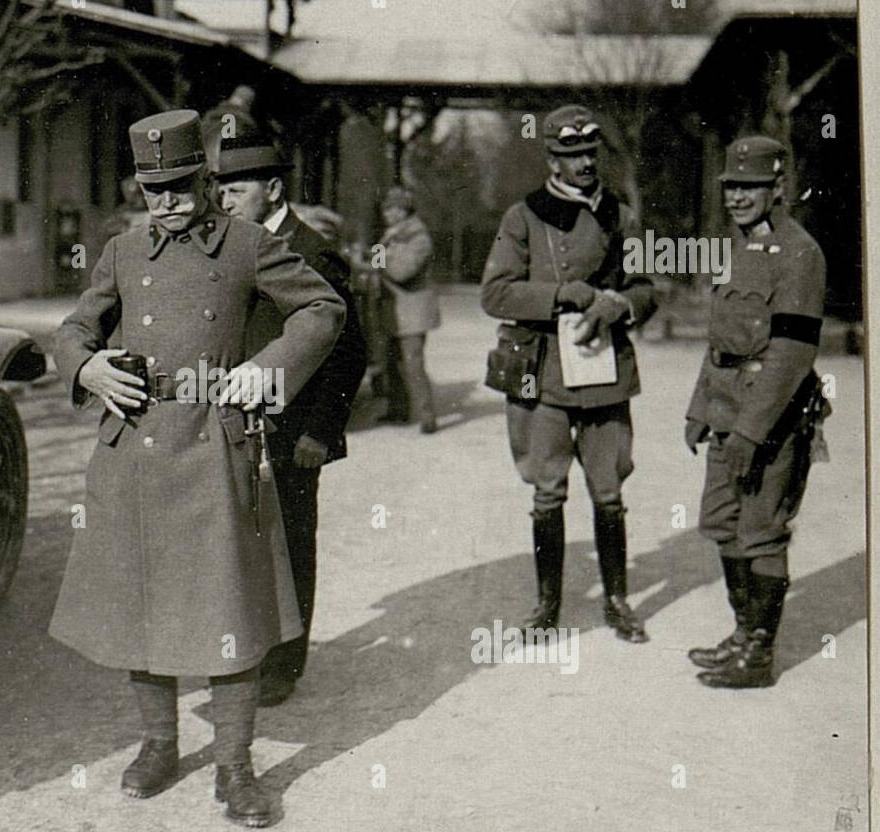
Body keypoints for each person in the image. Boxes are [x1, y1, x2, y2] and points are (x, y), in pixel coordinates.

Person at [49, 109, 345, 827]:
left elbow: (323, 308)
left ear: (206, 180)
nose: (170, 203)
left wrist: (266, 372)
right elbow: (71, 329)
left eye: (182, 186)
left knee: (228, 606)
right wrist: (88, 367)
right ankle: (158, 744)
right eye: (155, 191)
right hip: (134, 445)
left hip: (215, 440)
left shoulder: (244, 244)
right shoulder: (121, 251)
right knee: (141, 603)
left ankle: (236, 768)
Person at [481, 104, 657, 641]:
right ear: (552, 159)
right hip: (545, 372)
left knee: (609, 491)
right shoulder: (524, 216)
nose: (583, 162)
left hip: (603, 368)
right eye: (570, 153)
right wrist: (560, 294)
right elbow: (495, 291)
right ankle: (547, 606)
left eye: (589, 152)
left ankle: (618, 600)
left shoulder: (621, 214)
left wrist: (619, 306)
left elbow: (648, 286)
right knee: (547, 492)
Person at [216, 132, 367, 707]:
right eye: (221, 189)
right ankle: (249, 652)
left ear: (273, 190)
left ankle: (285, 664)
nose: (226, 200)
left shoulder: (312, 251)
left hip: (293, 429)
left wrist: (321, 432)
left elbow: (350, 349)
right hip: (240, 422)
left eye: (238, 190)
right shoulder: (231, 245)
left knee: (291, 542)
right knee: (244, 542)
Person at [684, 136, 828, 689]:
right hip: (725, 413)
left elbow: (791, 353)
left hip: (769, 421)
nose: (738, 197)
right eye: (731, 188)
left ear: (777, 189)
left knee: (762, 530)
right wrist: (700, 408)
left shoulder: (800, 253)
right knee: (723, 523)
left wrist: (749, 429)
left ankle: (759, 655)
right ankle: (743, 634)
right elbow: (720, 342)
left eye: (750, 187)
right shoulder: (738, 247)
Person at [355, 185, 440, 433]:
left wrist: (371, 261)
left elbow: (401, 272)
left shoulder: (419, 238)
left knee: (412, 364)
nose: (388, 214)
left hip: (412, 313)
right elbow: (379, 262)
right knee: (393, 363)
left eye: (393, 209)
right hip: (395, 312)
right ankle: (398, 410)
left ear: (405, 211)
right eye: (386, 209)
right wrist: (369, 258)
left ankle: (428, 418)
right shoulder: (391, 235)